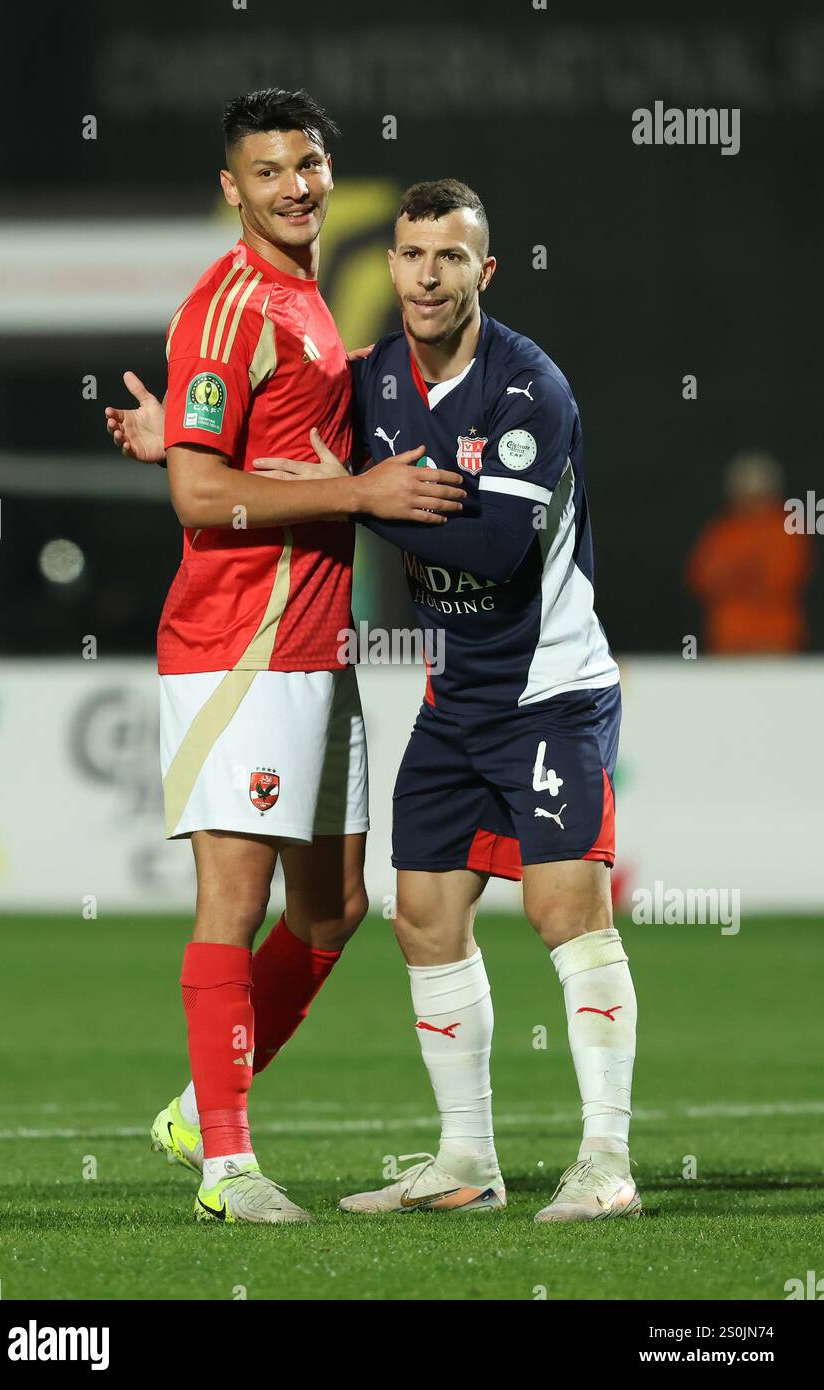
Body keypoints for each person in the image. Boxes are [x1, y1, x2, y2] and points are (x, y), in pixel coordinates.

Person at [112, 179, 639, 1224]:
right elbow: (283, 438)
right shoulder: (375, 378)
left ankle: (605, 1161)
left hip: (547, 690)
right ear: (389, 266)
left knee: (561, 910)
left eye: (449, 258)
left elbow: (493, 549)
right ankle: (465, 1160)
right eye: (409, 256)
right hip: (453, 700)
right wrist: (177, 432)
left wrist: (369, 499)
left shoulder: (527, 387)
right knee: (421, 917)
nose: (426, 276)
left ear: (482, 271)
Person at [104, 91, 465, 1225]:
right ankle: (225, 1166)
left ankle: (196, 1105)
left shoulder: (304, 302)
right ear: (232, 189)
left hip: (315, 645)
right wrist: (356, 491)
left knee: (331, 910)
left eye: (307, 164)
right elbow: (200, 493)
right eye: (267, 172)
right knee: (235, 895)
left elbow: (252, 439)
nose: (295, 187)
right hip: (238, 648)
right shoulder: (224, 310)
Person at [686, 450, 812, 653]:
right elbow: (703, 577)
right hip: (729, 636)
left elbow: (784, 576)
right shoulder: (722, 531)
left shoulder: (787, 529)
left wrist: (740, 574)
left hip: (776, 636)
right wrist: (746, 571)